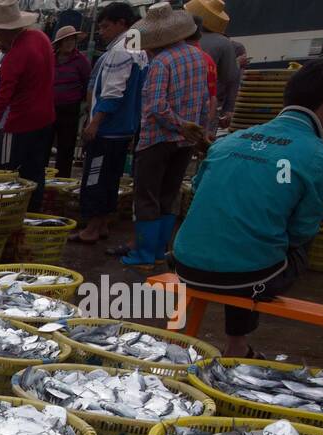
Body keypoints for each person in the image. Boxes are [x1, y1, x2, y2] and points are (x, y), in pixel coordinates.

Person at [173, 59, 323, 356]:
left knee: (246, 232)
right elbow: (301, 232)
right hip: (250, 279)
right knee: (275, 245)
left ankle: (238, 344)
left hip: (185, 264)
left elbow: (197, 189)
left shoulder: (229, 140)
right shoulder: (320, 158)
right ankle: (237, 344)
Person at [120, 3, 209, 268]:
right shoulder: (197, 57)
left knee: (147, 196)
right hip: (184, 143)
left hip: (157, 140)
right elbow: (204, 100)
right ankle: (159, 252)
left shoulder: (161, 62)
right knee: (169, 195)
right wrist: (195, 131)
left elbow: (157, 107)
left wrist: (178, 124)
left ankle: (143, 255)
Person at [0, 0, 56, 211]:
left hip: (19, 126)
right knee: (36, 174)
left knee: (8, 176)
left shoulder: (14, 56)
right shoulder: (41, 38)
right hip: (46, 120)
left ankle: (10, 217)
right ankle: (32, 217)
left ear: (1, 31)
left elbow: (0, 103)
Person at [74, 2, 145, 244]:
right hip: (124, 129)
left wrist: (94, 123)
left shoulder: (120, 51)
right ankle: (102, 224)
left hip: (108, 130)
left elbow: (112, 93)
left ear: (121, 24)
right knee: (111, 179)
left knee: (95, 177)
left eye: (105, 27)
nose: (102, 32)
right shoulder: (139, 51)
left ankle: (92, 227)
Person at [186, 0, 239, 127]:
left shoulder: (178, 40)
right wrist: (228, 109)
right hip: (209, 104)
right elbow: (230, 77)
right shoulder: (224, 43)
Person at [50, 25, 91, 176]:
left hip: (70, 109)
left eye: (72, 40)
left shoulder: (81, 60)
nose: (69, 43)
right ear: (59, 43)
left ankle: (63, 179)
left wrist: (85, 105)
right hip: (50, 108)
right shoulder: (51, 58)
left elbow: (88, 83)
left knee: (66, 147)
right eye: (66, 40)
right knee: (45, 144)